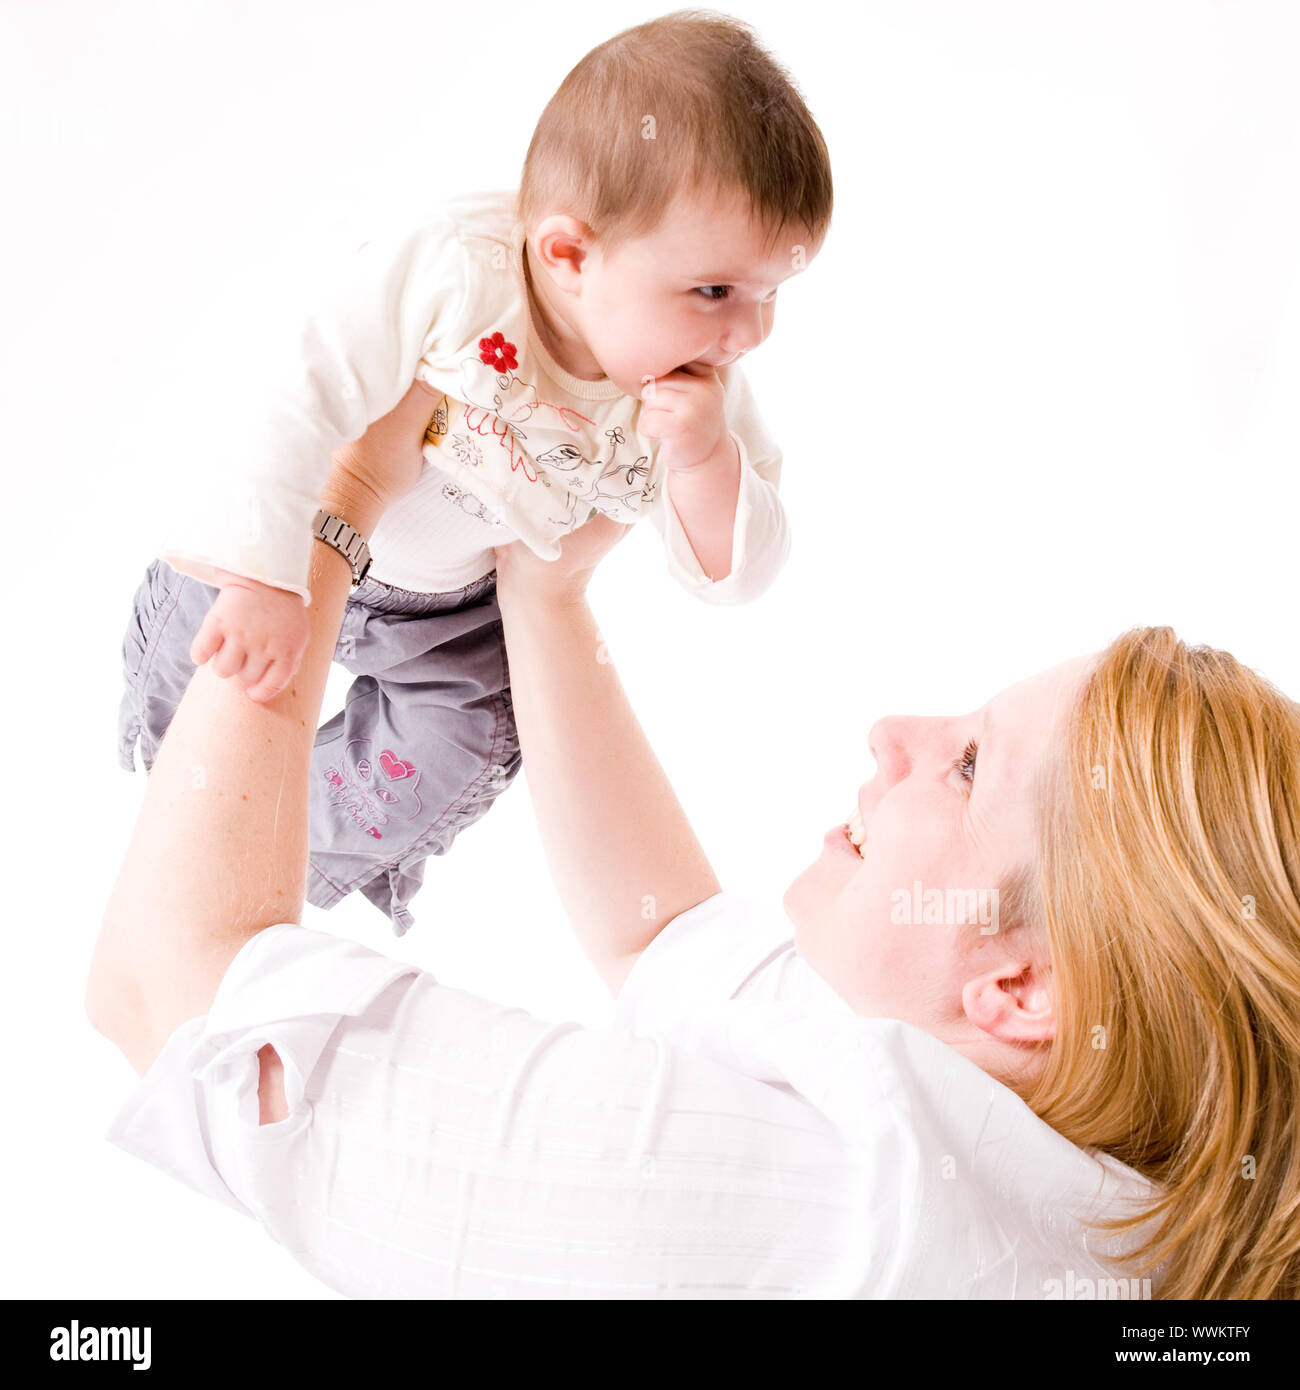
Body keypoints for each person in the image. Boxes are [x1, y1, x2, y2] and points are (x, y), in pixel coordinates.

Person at [88, 380, 1300, 1299]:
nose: (893, 733)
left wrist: (334, 506)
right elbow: (664, 939)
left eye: (970, 764)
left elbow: (172, 985)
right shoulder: (1058, 1194)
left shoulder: (799, 1218)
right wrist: (544, 589)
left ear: (1023, 985)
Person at [115, 10, 830, 935]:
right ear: (569, 254)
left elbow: (738, 573)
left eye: (771, 294)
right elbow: (304, 386)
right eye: (715, 292)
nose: (747, 334)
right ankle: (176, 777)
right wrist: (262, 575)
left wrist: (703, 463)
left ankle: (293, 853)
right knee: (213, 622)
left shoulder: (693, 391)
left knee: (474, 738)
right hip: (301, 533)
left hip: (450, 614)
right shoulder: (458, 269)